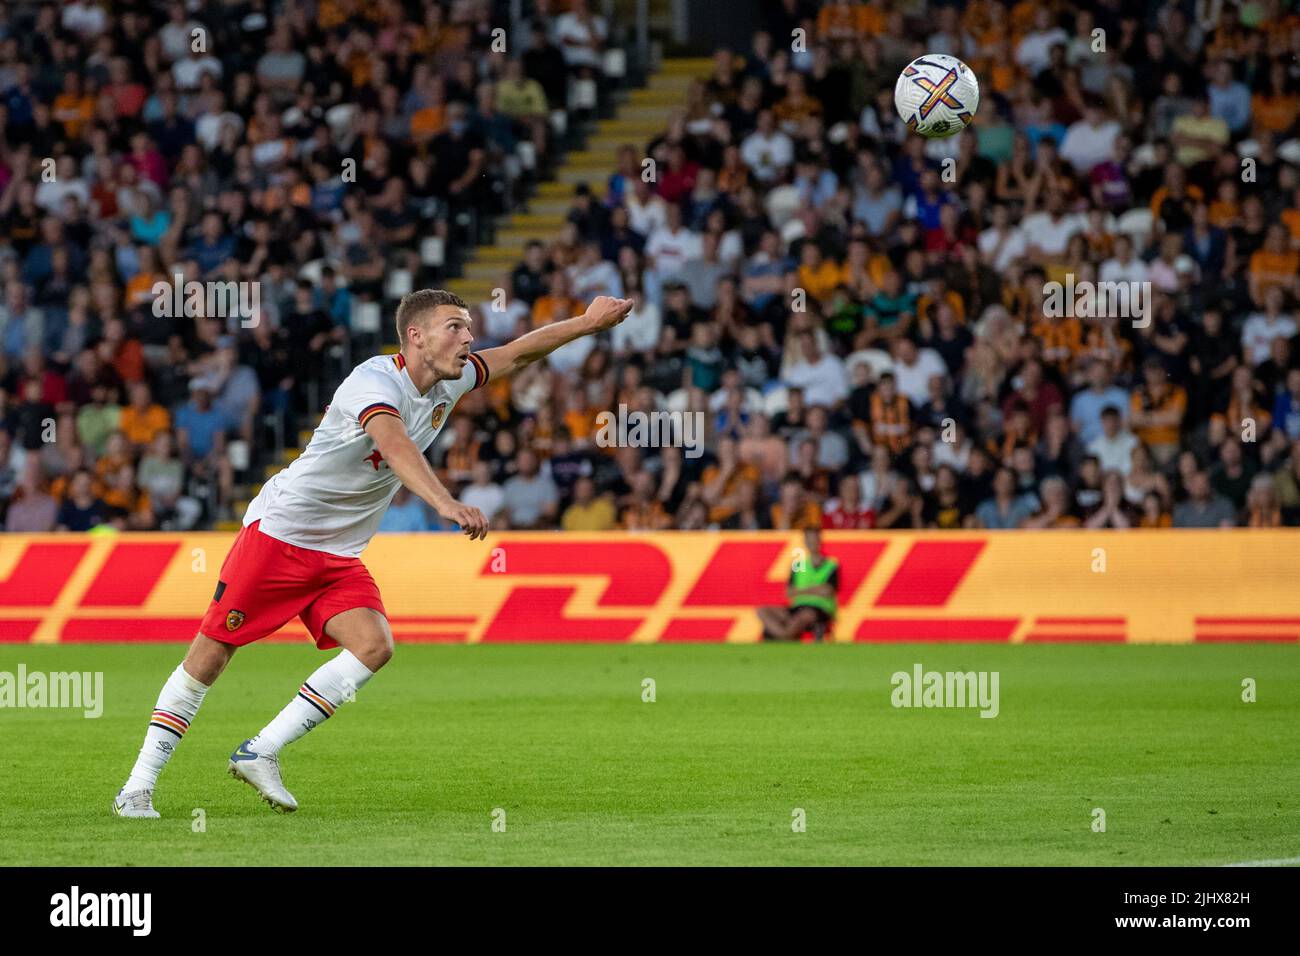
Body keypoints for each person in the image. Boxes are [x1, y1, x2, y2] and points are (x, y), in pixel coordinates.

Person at [112, 290, 635, 818]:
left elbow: (519, 352)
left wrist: (588, 323)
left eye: (470, 327)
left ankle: (261, 750)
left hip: (338, 554)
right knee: (211, 656)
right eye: (455, 327)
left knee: (374, 645)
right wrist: (446, 502)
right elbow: (394, 443)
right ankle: (137, 787)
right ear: (416, 337)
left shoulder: (447, 383)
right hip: (280, 538)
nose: (469, 338)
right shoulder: (373, 382)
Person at [756, 528, 839, 642]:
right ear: (805, 541)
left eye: (814, 539)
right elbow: (789, 592)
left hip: (820, 609)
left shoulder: (831, 565)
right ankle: (785, 635)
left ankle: (782, 636)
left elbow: (828, 591)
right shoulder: (798, 564)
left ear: (820, 540)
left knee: (805, 616)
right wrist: (816, 589)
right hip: (798, 607)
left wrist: (801, 590)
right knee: (762, 610)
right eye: (809, 539)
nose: (812, 542)